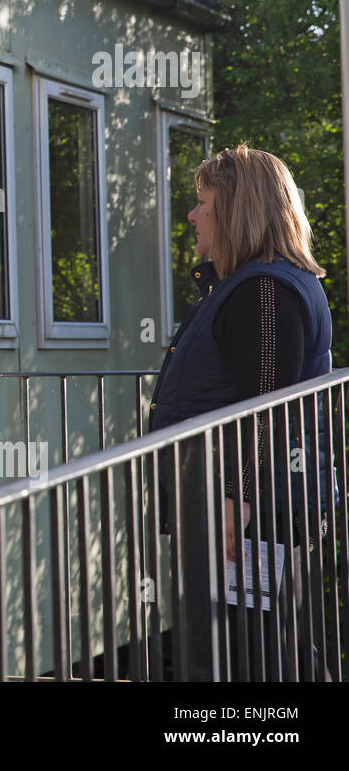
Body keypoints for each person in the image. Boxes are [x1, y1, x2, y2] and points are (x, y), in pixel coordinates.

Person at [147, 144, 334, 680]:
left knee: (246, 657)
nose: (192, 214)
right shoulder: (257, 284)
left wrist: (237, 501)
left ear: (234, 211)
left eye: (202, 201)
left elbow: (266, 407)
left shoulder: (264, 290)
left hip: (246, 514)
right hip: (247, 507)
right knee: (272, 652)